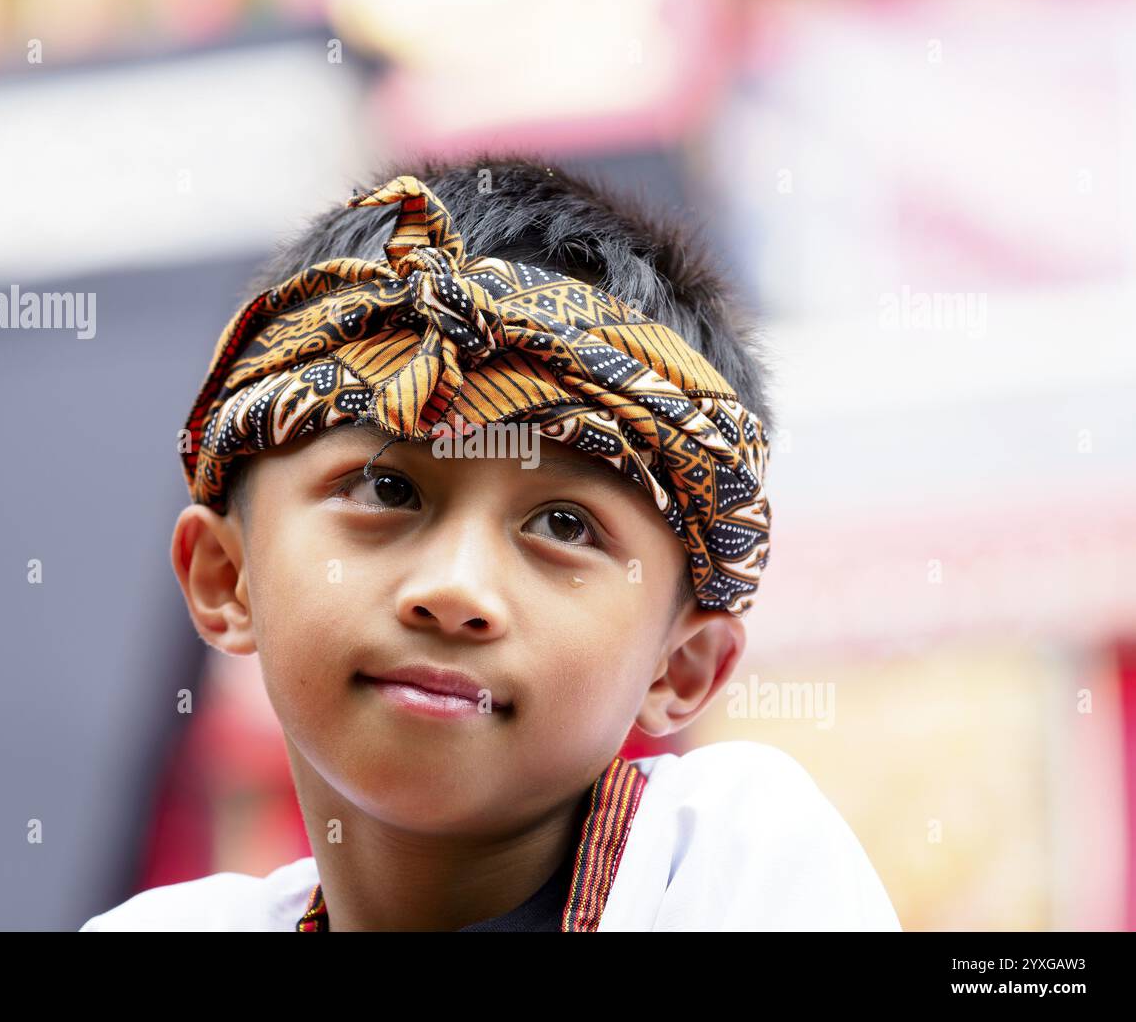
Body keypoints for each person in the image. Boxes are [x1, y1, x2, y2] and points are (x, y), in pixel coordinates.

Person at [80, 155, 901, 932]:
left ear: (679, 664)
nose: (456, 588)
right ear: (227, 578)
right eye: (384, 489)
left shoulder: (731, 868)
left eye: (563, 526)